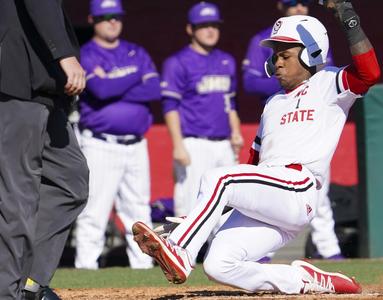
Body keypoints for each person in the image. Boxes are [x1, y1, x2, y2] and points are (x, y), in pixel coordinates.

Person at [133, 0, 379, 294]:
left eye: (285, 54)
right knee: (218, 265)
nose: (277, 61)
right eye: (275, 55)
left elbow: (369, 73)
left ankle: (181, 250)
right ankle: (306, 280)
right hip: (272, 197)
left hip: (299, 187)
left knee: (219, 177)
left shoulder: (329, 83)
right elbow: (251, 169)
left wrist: (347, 18)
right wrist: (199, 216)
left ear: (311, 52)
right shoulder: (273, 104)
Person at [0, 0, 89, 298]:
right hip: (15, 82)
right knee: (18, 198)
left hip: (45, 89)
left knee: (71, 182)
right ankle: (6, 291)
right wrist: (63, 53)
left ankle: (28, 283)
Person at [243, 0, 344, 262]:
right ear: (280, 7)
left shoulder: (316, 36)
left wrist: (305, 89)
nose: (299, 7)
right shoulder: (263, 40)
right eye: (292, 3)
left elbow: (325, 79)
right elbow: (250, 81)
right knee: (268, 196)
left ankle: (329, 250)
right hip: (282, 121)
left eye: (303, 2)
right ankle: (262, 253)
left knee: (320, 195)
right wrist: (289, 87)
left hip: (312, 126)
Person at [74, 0, 161, 270]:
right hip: (100, 143)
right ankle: (86, 271)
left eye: (116, 17)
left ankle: (143, 271)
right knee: (94, 212)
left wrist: (114, 83)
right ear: (93, 20)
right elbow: (99, 90)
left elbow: (155, 89)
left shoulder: (135, 51)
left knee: (139, 212)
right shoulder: (86, 53)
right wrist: (134, 77)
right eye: (105, 17)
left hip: (136, 144)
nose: (112, 22)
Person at [161, 2, 243, 225]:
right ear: (191, 29)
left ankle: (220, 257)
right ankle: (180, 253)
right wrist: (178, 145)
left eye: (214, 25)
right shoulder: (177, 62)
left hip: (223, 144)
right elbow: (170, 107)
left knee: (228, 204)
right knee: (188, 204)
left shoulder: (226, 60)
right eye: (203, 25)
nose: (210, 30)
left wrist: (236, 132)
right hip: (193, 143)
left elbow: (230, 103)